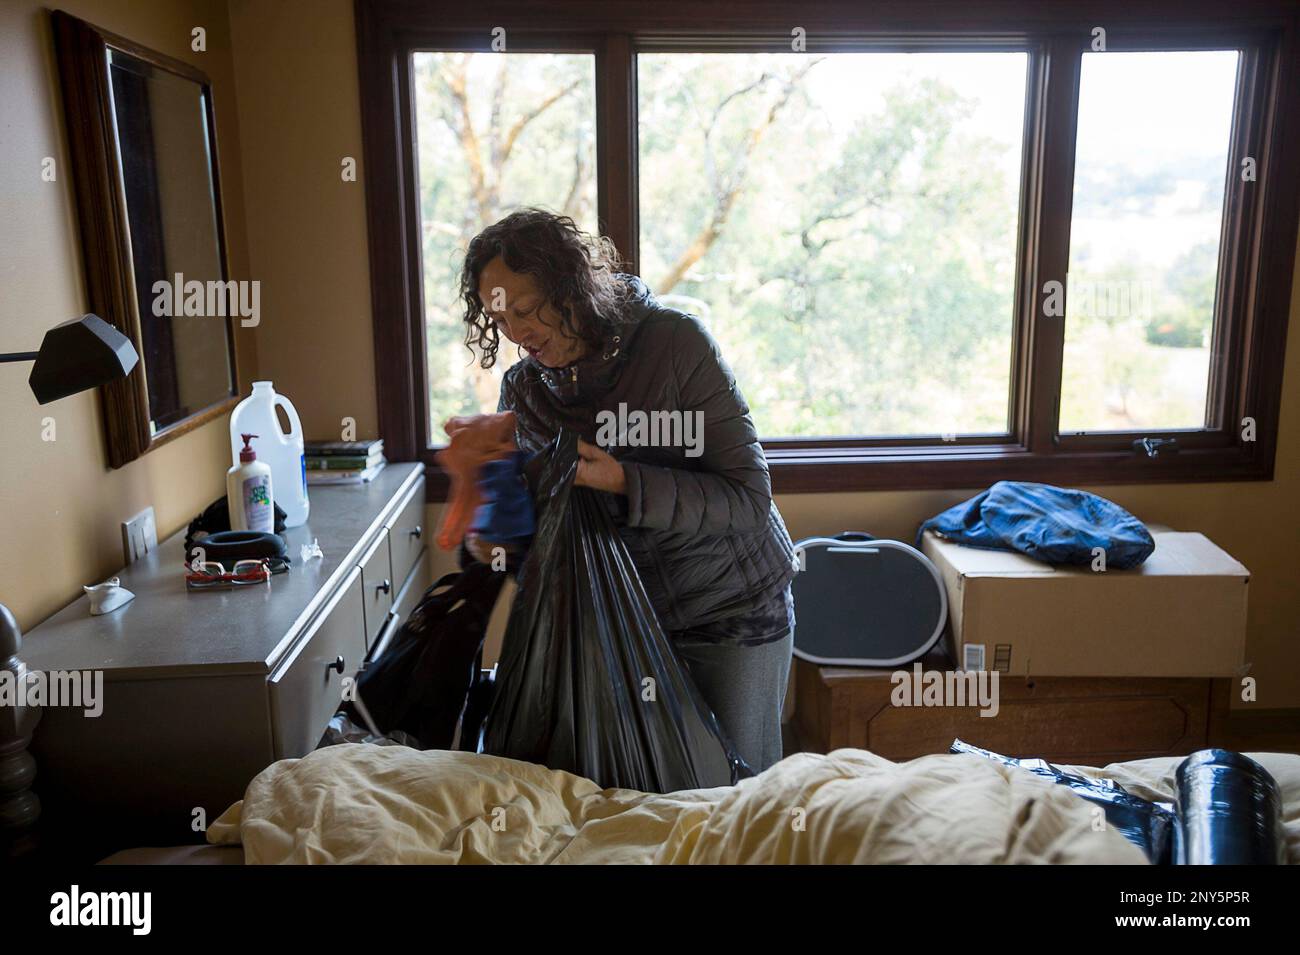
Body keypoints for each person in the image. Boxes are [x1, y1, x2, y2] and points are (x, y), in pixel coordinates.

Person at [457, 207, 797, 778]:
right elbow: (542, 544)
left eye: (525, 309)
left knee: (739, 799)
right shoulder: (525, 393)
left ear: (569, 287)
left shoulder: (674, 344)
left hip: (729, 612)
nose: (515, 332)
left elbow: (746, 500)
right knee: (644, 804)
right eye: (498, 318)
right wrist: (488, 527)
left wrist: (622, 480)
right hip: (619, 627)